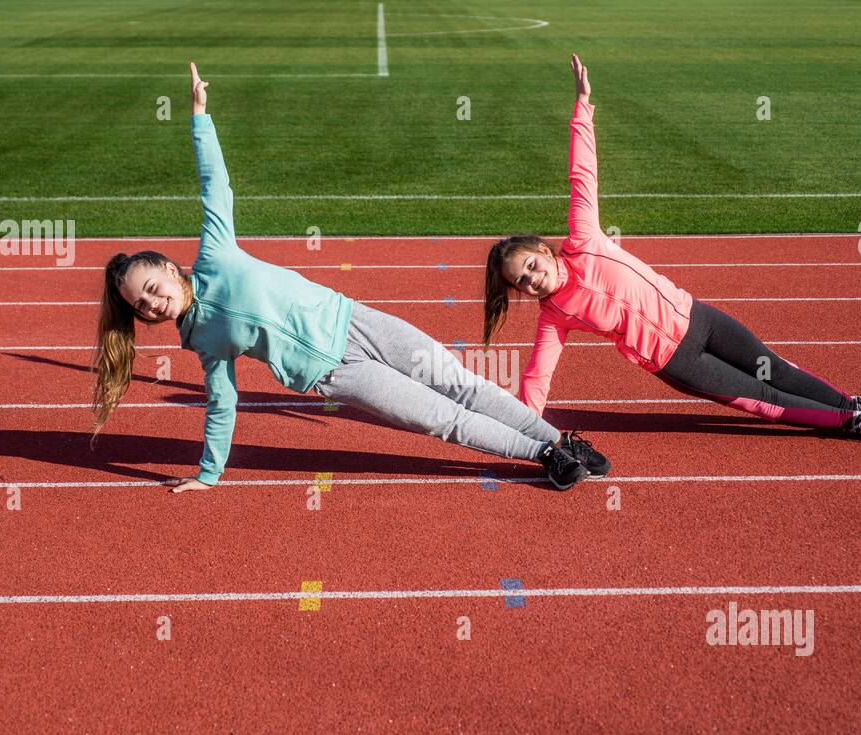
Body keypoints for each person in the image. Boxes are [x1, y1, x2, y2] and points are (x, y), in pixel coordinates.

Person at [90, 63, 609, 492]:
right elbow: (222, 403)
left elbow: (215, 188)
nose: (152, 305)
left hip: (358, 321)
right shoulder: (201, 341)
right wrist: (208, 473)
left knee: (460, 383)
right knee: (437, 417)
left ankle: (562, 443)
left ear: (167, 268)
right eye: (141, 306)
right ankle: (545, 453)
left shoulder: (215, 252)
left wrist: (200, 118)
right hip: (337, 374)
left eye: (151, 289)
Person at [482, 54, 861, 443]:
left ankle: (853, 403)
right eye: (522, 282)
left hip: (699, 318)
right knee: (762, 398)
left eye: (531, 266)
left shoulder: (585, 237)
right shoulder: (554, 316)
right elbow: (538, 375)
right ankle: (855, 424)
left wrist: (582, 106)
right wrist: (525, 430)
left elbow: (582, 174)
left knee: (774, 368)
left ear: (543, 248)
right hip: (676, 361)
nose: (532, 280)